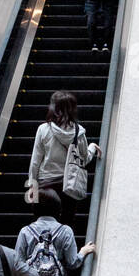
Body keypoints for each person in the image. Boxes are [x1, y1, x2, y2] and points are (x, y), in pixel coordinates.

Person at [24, 91, 100, 225]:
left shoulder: (43, 129)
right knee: (66, 224)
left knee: (42, 223)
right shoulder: (79, 132)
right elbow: (84, 160)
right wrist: (92, 147)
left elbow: (35, 161)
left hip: (45, 185)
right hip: (69, 185)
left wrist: (32, 185)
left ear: (53, 108)